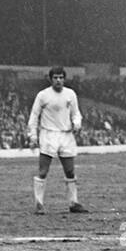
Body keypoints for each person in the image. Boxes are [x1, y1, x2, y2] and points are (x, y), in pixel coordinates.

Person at [27, 66, 89, 215]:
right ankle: (39, 204)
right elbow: (34, 116)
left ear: (64, 79)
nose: (58, 80)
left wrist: (77, 123)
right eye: (55, 78)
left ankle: (74, 203)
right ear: (50, 79)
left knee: (70, 170)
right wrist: (33, 137)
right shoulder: (43, 95)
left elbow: (76, 113)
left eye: (61, 77)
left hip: (66, 135)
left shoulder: (70, 94)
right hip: (48, 135)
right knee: (43, 171)